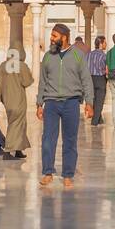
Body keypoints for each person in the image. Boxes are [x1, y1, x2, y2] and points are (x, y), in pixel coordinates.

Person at [36, 23, 93, 188]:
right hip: (51, 103)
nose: (51, 39)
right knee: (48, 139)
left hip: (71, 102)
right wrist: (40, 103)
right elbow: (42, 82)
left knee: (69, 140)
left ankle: (68, 174)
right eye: (51, 36)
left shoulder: (77, 55)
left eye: (54, 36)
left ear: (64, 38)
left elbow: (86, 80)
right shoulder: (47, 56)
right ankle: (47, 172)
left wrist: (89, 102)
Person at [0, 48, 34, 159]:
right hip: (18, 101)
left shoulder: (2, 66)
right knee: (15, 125)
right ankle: (8, 151)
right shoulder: (21, 66)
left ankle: (18, 150)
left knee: (19, 124)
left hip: (7, 101)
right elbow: (27, 82)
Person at [88, 35, 108, 126]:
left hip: (90, 78)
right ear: (100, 44)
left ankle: (100, 119)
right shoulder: (103, 56)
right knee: (99, 100)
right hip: (100, 78)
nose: (106, 44)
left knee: (94, 99)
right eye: (105, 42)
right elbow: (105, 69)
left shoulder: (89, 54)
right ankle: (94, 121)